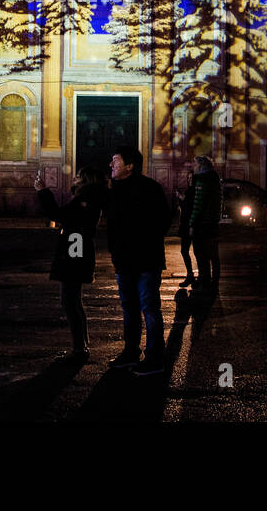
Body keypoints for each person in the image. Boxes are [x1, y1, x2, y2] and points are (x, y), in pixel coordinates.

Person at [105, 146, 171, 376]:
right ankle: (130, 351)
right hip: (124, 261)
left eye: (116, 160)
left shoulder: (150, 189)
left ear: (130, 166)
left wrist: (142, 241)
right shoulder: (113, 191)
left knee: (149, 307)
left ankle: (155, 357)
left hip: (146, 261)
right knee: (129, 309)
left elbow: (163, 221)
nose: (111, 165)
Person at [36, 166, 105, 363]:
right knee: (73, 301)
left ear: (85, 181)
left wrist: (43, 191)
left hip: (75, 252)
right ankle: (81, 343)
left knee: (69, 301)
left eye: (78, 176)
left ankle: (79, 348)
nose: (73, 178)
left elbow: (57, 215)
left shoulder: (84, 202)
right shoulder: (88, 200)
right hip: (77, 251)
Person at [189, 156, 222, 290]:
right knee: (213, 254)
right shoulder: (214, 179)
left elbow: (198, 205)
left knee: (200, 254)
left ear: (201, 166)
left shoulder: (202, 180)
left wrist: (191, 223)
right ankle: (213, 281)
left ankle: (204, 280)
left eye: (195, 164)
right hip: (212, 222)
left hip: (202, 224)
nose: (193, 167)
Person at [177, 172, 196, 287]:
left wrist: (180, 198)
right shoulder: (190, 191)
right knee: (186, 251)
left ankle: (191, 275)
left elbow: (187, 208)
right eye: (188, 178)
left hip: (189, 225)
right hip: (187, 224)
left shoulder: (192, 191)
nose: (190, 180)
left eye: (192, 178)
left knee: (187, 251)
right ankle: (191, 275)